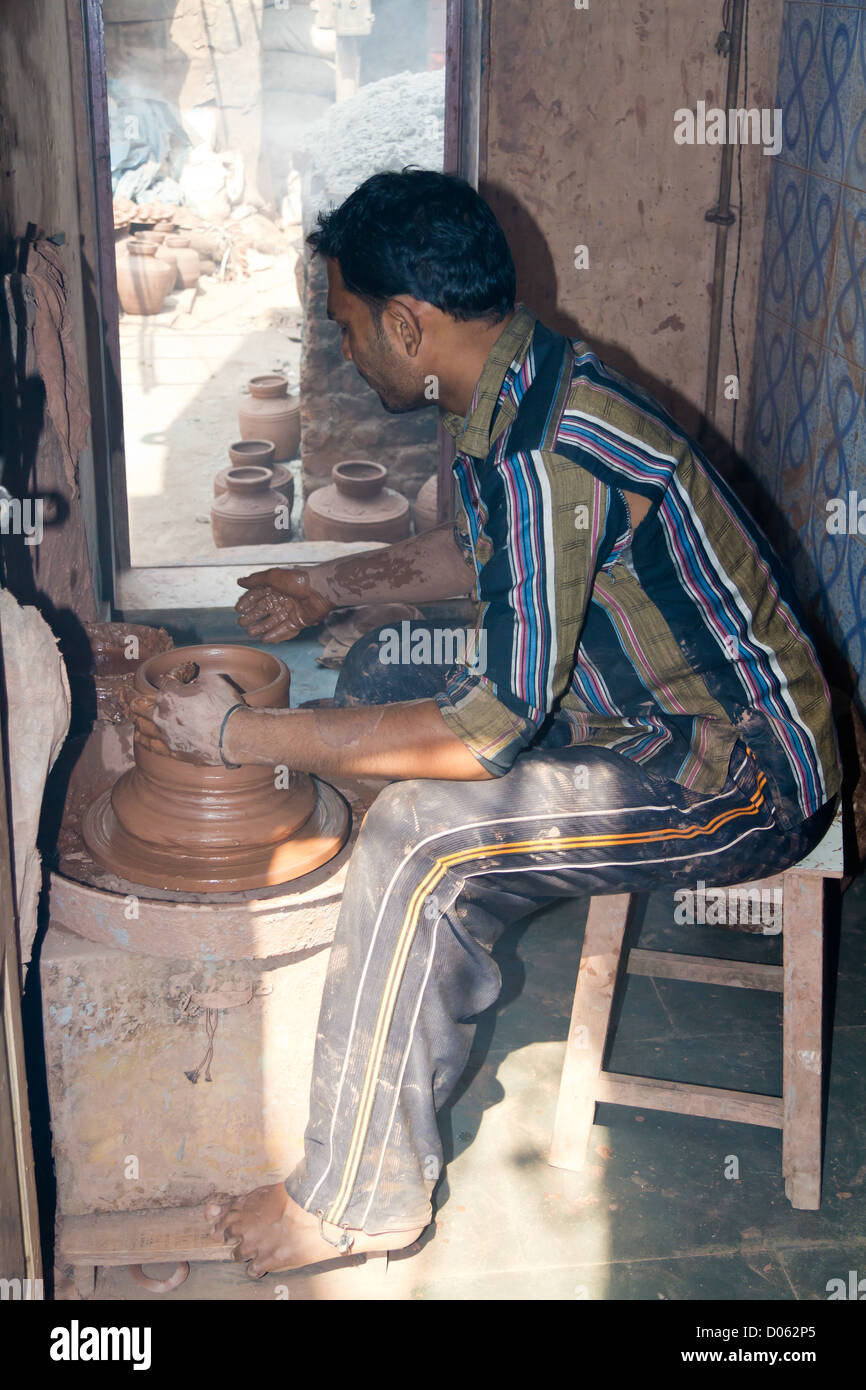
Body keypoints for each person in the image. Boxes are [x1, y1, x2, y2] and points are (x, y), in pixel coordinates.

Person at [132, 168, 841, 1276]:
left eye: (348, 324)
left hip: (743, 778)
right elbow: (475, 555)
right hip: (650, 718)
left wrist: (237, 740)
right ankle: (378, 1016)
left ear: (407, 323)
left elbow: (484, 731)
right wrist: (334, 588)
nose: (345, 346)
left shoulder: (537, 445)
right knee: (372, 703)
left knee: (422, 837)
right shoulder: (512, 383)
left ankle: (358, 1199)